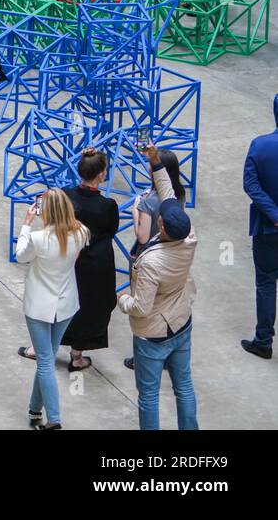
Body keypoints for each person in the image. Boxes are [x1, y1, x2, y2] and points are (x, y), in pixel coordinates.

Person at [120, 143, 198, 430]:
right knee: (184, 386)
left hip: (153, 333)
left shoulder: (152, 262)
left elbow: (141, 307)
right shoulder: (188, 235)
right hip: (182, 321)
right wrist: (155, 162)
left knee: (149, 396)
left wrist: (122, 299)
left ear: (162, 228)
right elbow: (168, 194)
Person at [16, 188, 90, 430]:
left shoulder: (38, 238)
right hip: (66, 304)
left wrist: (27, 224)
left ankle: (54, 420)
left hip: (39, 306)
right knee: (47, 357)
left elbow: (21, 256)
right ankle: (35, 409)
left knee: (45, 362)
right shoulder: (81, 232)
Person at [122, 145, 188, 370]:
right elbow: (166, 189)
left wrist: (135, 209)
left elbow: (141, 236)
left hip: (147, 256)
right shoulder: (179, 196)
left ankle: (141, 357)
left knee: (145, 310)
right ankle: (170, 353)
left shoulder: (149, 202)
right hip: (172, 258)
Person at [58, 148, 119, 371]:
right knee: (87, 305)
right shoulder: (107, 205)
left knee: (59, 300)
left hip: (67, 257)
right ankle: (77, 354)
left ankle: (43, 346)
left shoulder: (66, 195)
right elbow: (111, 229)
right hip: (94, 263)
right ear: (102, 174)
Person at [242, 93, 278, 360]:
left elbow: (251, 185)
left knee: (266, 284)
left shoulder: (260, 146)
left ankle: (263, 340)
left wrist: (274, 214)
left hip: (268, 228)